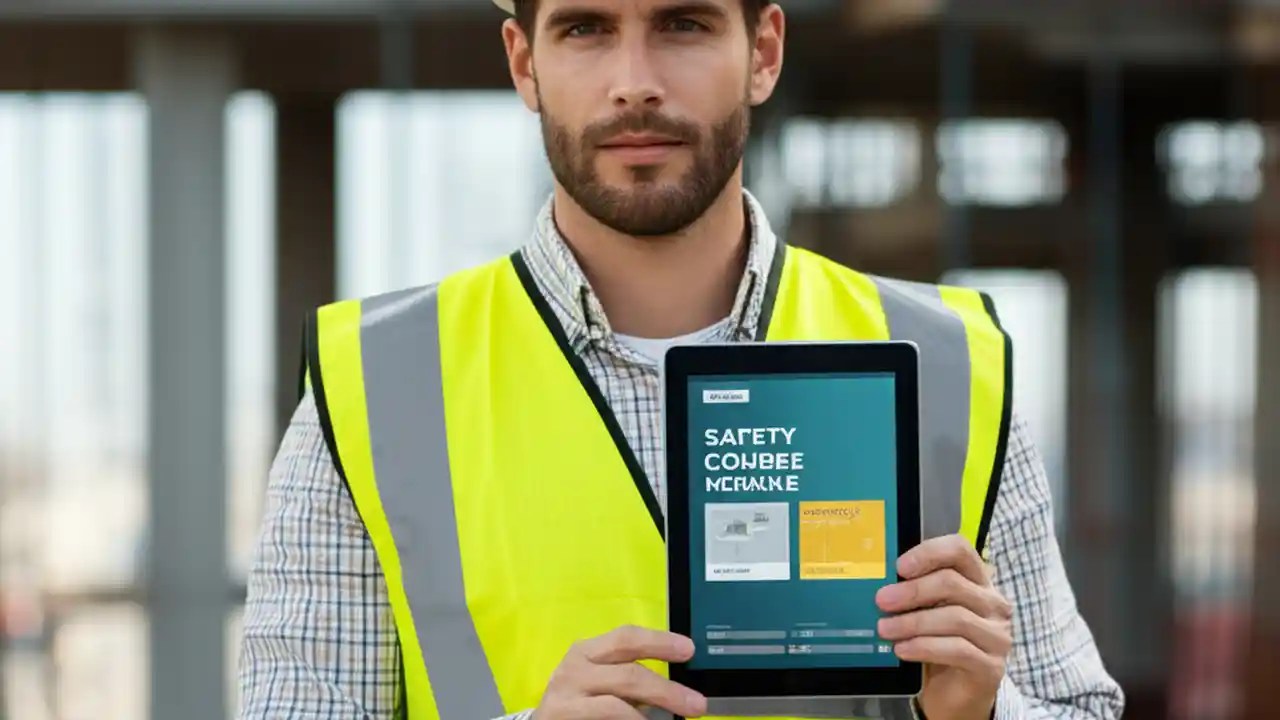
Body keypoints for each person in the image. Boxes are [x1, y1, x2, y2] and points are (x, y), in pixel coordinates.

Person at [238, 0, 1126, 718]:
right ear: (523, 63)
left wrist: (981, 714)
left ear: (763, 50)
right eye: (586, 28)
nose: (635, 84)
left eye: (684, 24)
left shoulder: (950, 366)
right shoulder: (378, 387)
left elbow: (1072, 706)